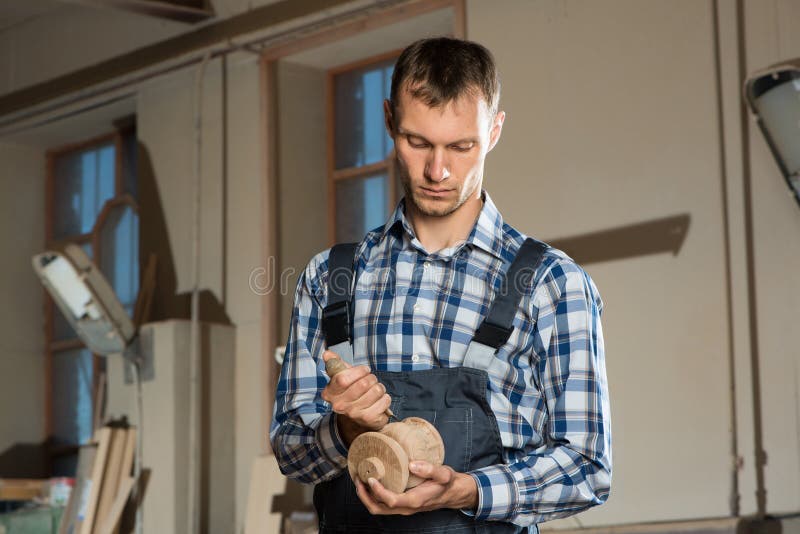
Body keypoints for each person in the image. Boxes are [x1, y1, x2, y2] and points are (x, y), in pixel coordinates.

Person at [270, 37, 612, 533]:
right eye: (418, 142)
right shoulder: (330, 278)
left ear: (494, 131)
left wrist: (469, 491)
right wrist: (344, 429)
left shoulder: (553, 285)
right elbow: (290, 449)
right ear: (389, 120)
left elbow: (587, 466)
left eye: (460, 146)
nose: (437, 170)